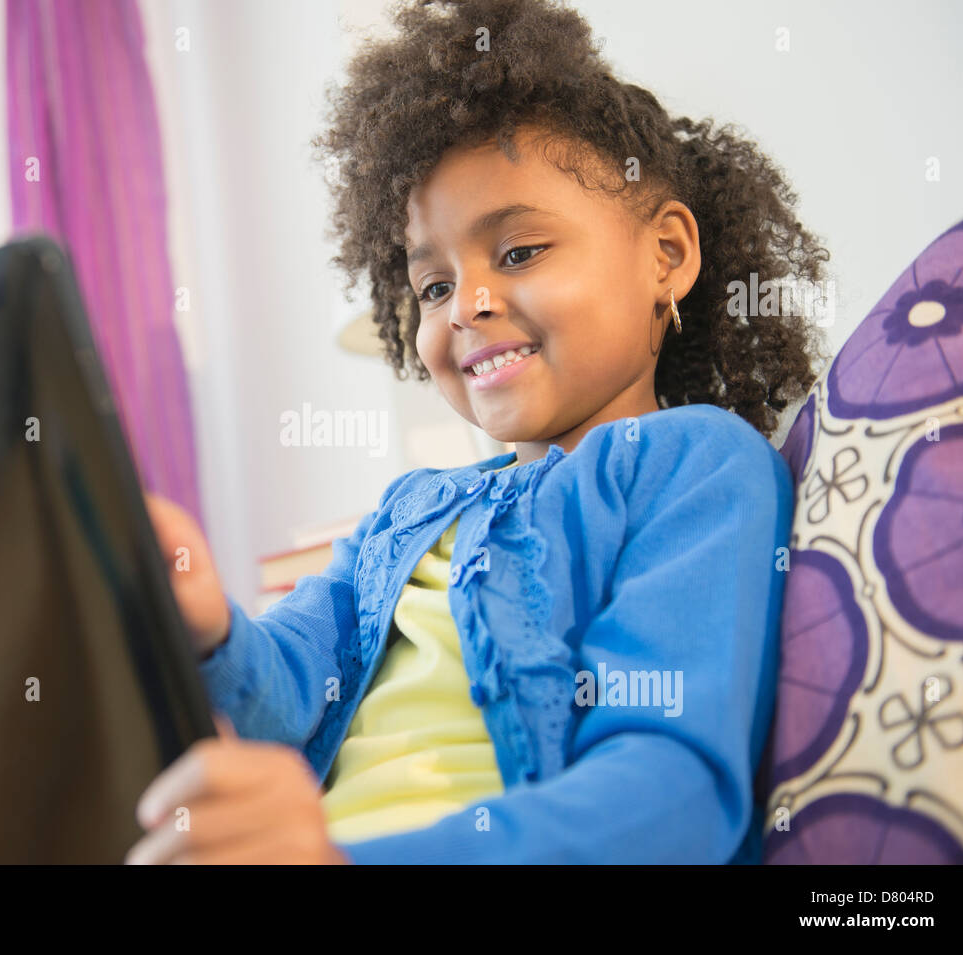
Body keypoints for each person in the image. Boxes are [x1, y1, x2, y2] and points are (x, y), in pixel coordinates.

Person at [125, 0, 828, 864]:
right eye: (431, 286)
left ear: (666, 254)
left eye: (521, 251)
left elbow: (667, 799)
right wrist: (207, 630)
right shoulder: (406, 513)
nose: (467, 305)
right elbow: (282, 701)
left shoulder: (697, 466)